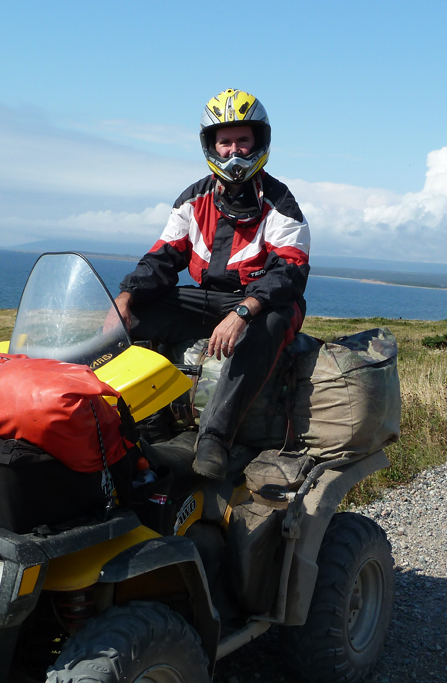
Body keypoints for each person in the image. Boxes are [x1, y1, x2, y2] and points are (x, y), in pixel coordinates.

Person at [114, 88, 310, 480]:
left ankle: (215, 440)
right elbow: (162, 257)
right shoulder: (193, 198)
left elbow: (289, 271)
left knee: (269, 323)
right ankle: (150, 428)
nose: (234, 150)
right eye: (225, 142)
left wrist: (243, 312)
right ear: (211, 146)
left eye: (243, 140)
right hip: (208, 300)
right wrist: (126, 296)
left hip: (262, 305)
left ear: (259, 142)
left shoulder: (281, 202)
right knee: (133, 319)